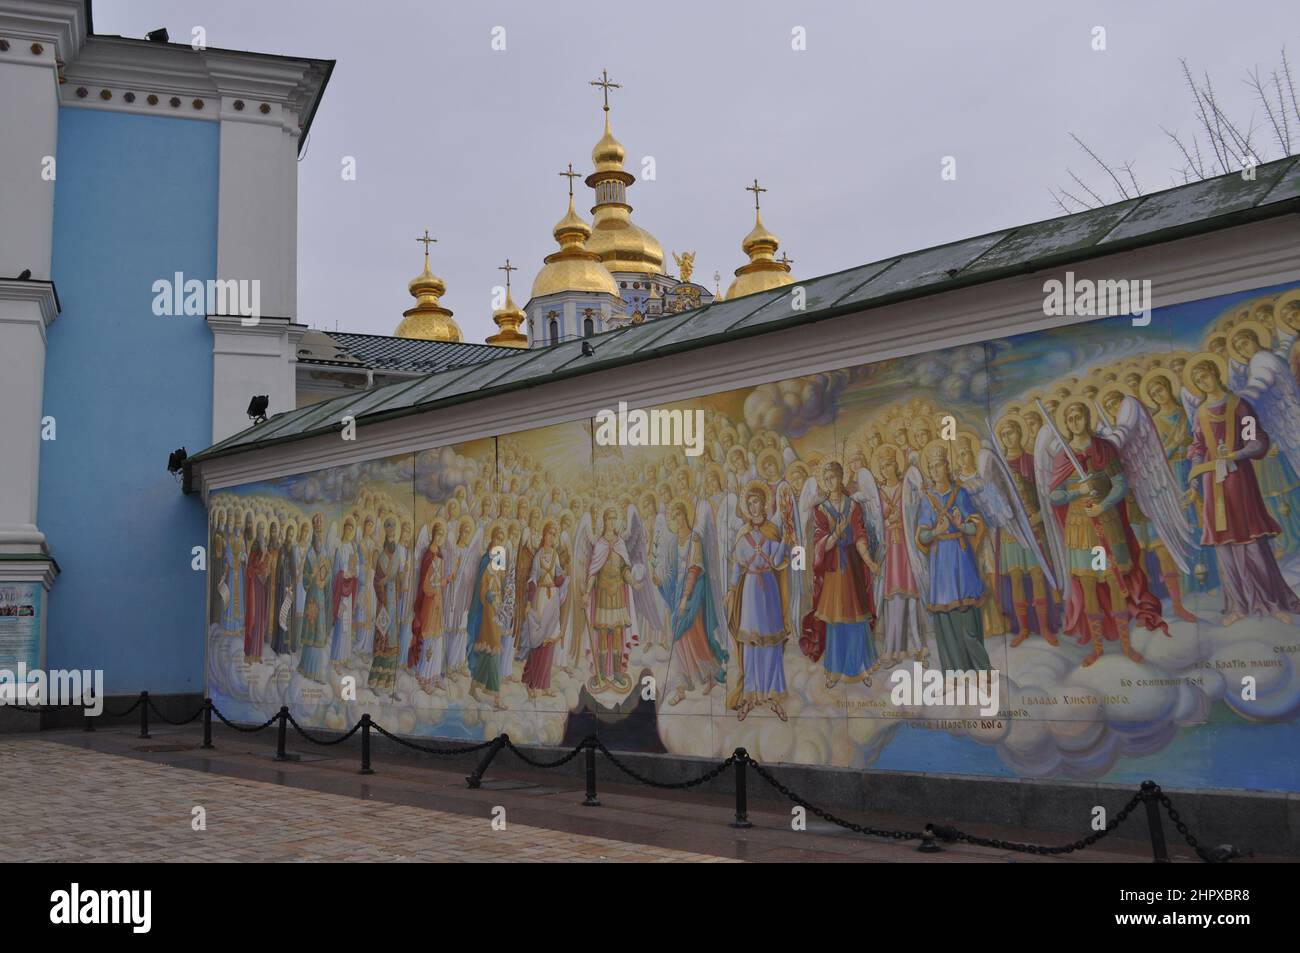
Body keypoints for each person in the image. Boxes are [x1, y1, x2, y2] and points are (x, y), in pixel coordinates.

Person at [802, 461, 879, 687]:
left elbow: (860, 536)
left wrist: (869, 561)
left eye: (834, 477)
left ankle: (860, 668)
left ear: (841, 477)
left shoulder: (854, 506)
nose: (831, 482)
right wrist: (834, 534)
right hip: (833, 572)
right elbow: (819, 544)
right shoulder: (821, 510)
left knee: (856, 618)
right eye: (827, 479)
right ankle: (835, 669)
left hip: (852, 568)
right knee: (835, 620)